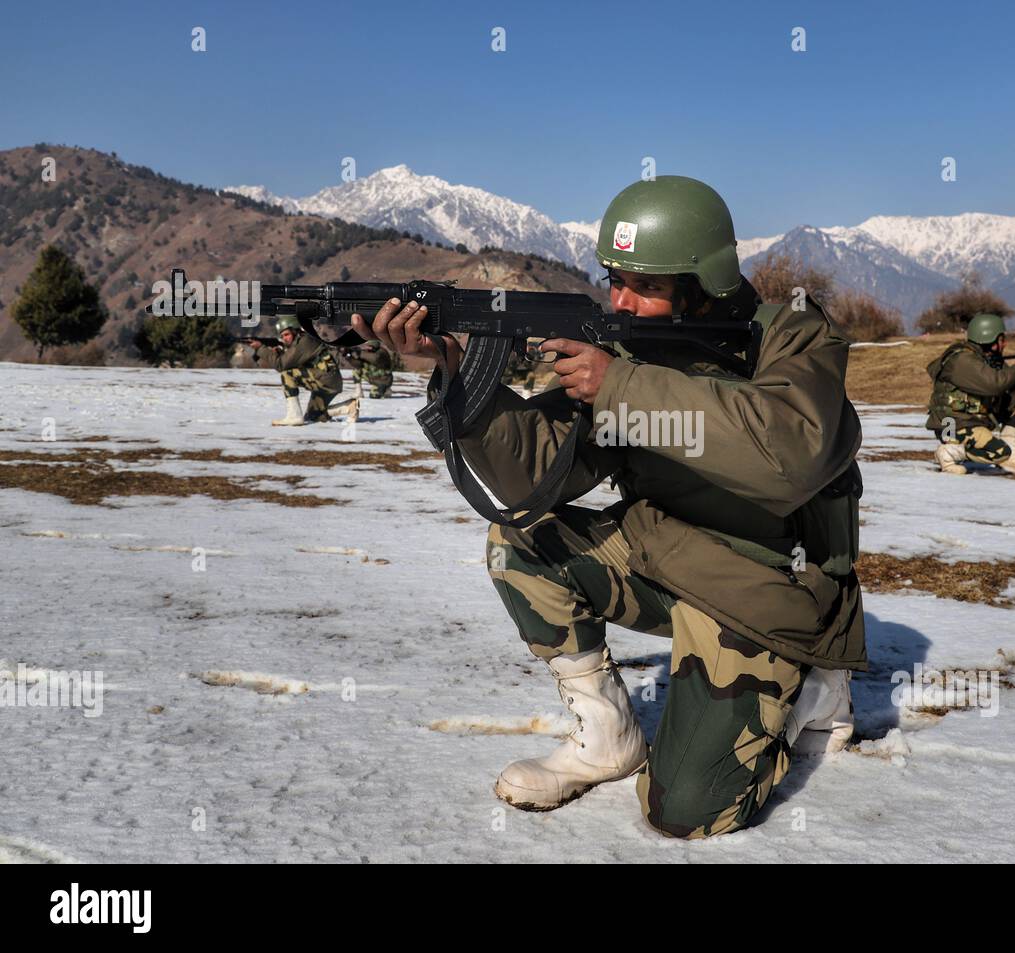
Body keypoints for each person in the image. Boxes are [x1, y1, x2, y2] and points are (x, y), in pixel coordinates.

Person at [354, 176, 867, 839]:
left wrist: (619, 384)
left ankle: (814, 687)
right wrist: (454, 371)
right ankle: (606, 735)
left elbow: (790, 454)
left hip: (766, 588)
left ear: (703, 279)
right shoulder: (627, 354)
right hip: (665, 555)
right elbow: (531, 472)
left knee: (682, 810)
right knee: (523, 538)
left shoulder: (791, 338)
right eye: (614, 278)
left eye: (643, 285)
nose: (620, 300)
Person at [924, 313, 1015, 474]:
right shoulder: (961, 361)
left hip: (970, 421)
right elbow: (994, 385)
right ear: (990, 339)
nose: (1005, 344)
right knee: (1001, 453)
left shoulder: (985, 359)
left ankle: (1011, 455)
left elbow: (1013, 383)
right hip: (951, 427)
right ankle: (949, 452)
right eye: (1002, 339)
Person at [248, 315, 344, 425]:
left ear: (295, 330)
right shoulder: (304, 340)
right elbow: (292, 361)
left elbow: (281, 365)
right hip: (329, 380)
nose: (284, 338)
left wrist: (260, 348)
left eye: (287, 334)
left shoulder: (304, 342)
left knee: (287, 375)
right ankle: (347, 407)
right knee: (313, 417)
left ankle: (294, 416)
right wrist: (277, 352)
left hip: (326, 380)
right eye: (282, 336)